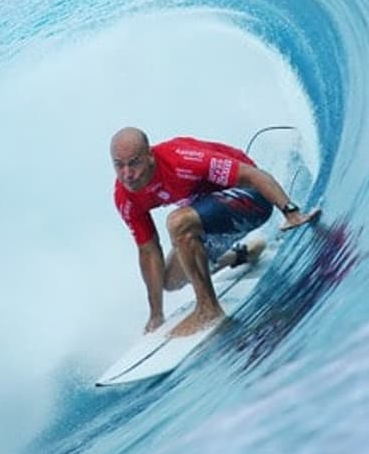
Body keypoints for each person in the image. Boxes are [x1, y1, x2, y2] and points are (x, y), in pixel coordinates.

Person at [110, 127, 320, 337]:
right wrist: (156, 314)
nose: (127, 174)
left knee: (178, 222)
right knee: (170, 280)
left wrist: (291, 212)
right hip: (213, 222)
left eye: (134, 163)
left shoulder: (181, 159)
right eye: (119, 165)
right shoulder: (125, 196)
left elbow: (252, 175)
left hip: (252, 200)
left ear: (149, 157)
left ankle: (208, 308)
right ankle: (240, 255)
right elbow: (148, 251)